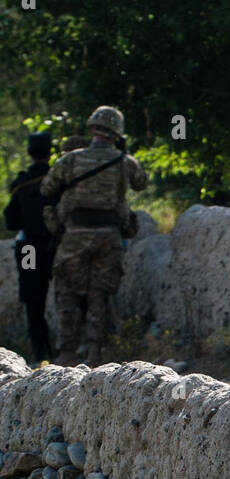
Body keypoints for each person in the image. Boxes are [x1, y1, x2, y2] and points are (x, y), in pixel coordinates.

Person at [39, 106, 146, 367]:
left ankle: (67, 353)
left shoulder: (72, 159)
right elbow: (141, 183)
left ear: (91, 129)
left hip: (75, 234)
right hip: (109, 236)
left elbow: (46, 188)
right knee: (100, 292)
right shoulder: (124, 161)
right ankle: (95, 352)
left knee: (67, 291)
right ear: (117, 133)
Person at [4, 132, 56, 362]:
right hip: (56, 244)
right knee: (70, 295)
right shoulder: (59, 179)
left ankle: (40, 353)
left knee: (33, 299)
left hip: (29, 249)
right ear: (50, 152)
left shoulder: (21, 184)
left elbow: (11, 221)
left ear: (29, 153)